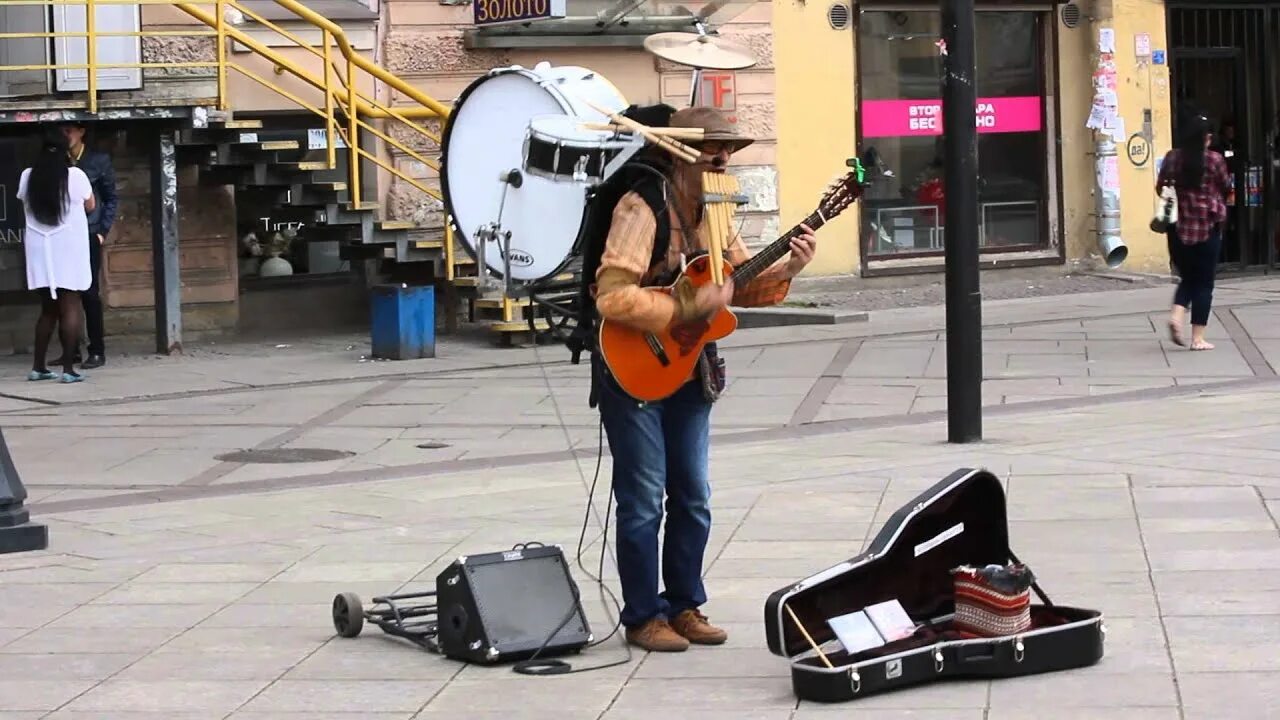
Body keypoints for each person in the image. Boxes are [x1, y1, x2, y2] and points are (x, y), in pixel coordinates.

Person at [591, 106, 819, 652]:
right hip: (634, 368)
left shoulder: (715, 211)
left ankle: (684, 604)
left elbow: (737, 285)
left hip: (691, 368)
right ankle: (644, 616)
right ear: (679, 151)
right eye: (712, 147)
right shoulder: (641, 206)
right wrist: (684, 306)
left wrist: (787, 268)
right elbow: (611, 296)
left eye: (729, 148)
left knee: (693, 493)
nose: (722, 157)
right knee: (644, 498)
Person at [18, 130, 97, 383]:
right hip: (68, 248)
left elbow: (24, 201)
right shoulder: (75, 175)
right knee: (71, 305)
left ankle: (38, 367)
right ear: (65, 151)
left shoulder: (28, 176)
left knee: (48, 310)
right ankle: (69, 370)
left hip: (41, 250)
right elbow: (90, 205)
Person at [1157, 113, 1231, 351]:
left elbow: (1161, 188)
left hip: (1178, 228)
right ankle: (1197, 338)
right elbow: (1226, 186)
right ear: (1205, 137)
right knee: (1204, 283)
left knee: (1188, 277)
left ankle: (1176, 316)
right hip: (1207, 227)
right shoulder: (1214, 160)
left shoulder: (1171, 158)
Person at [52, 121, 116, 370]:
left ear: (81, 132)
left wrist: (102, 231)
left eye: (68, 131)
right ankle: (71, 350)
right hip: (62, 234)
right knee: (64, 293)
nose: (64, 136)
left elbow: (111, 198)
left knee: (90, 293)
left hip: (88, 232)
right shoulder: (56, 159)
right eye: (61, 132)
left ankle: (97, 350)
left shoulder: (97, 161)